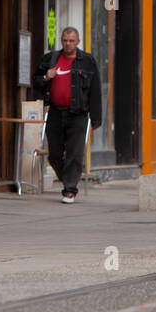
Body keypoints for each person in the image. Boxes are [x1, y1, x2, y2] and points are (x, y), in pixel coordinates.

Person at [35, 27, 102, 203]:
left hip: (78, 114)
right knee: (54, 153)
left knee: (75, 152)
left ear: (78, 42)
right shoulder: (51, 59)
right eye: (65, 40)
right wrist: (45, 77)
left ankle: (69, 190)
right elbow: (35, 81)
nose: (67, 44)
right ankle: (69, 179)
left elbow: (95, 90)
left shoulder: (87, 61)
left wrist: (95, 118)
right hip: (56, 112)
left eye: (71, 40)